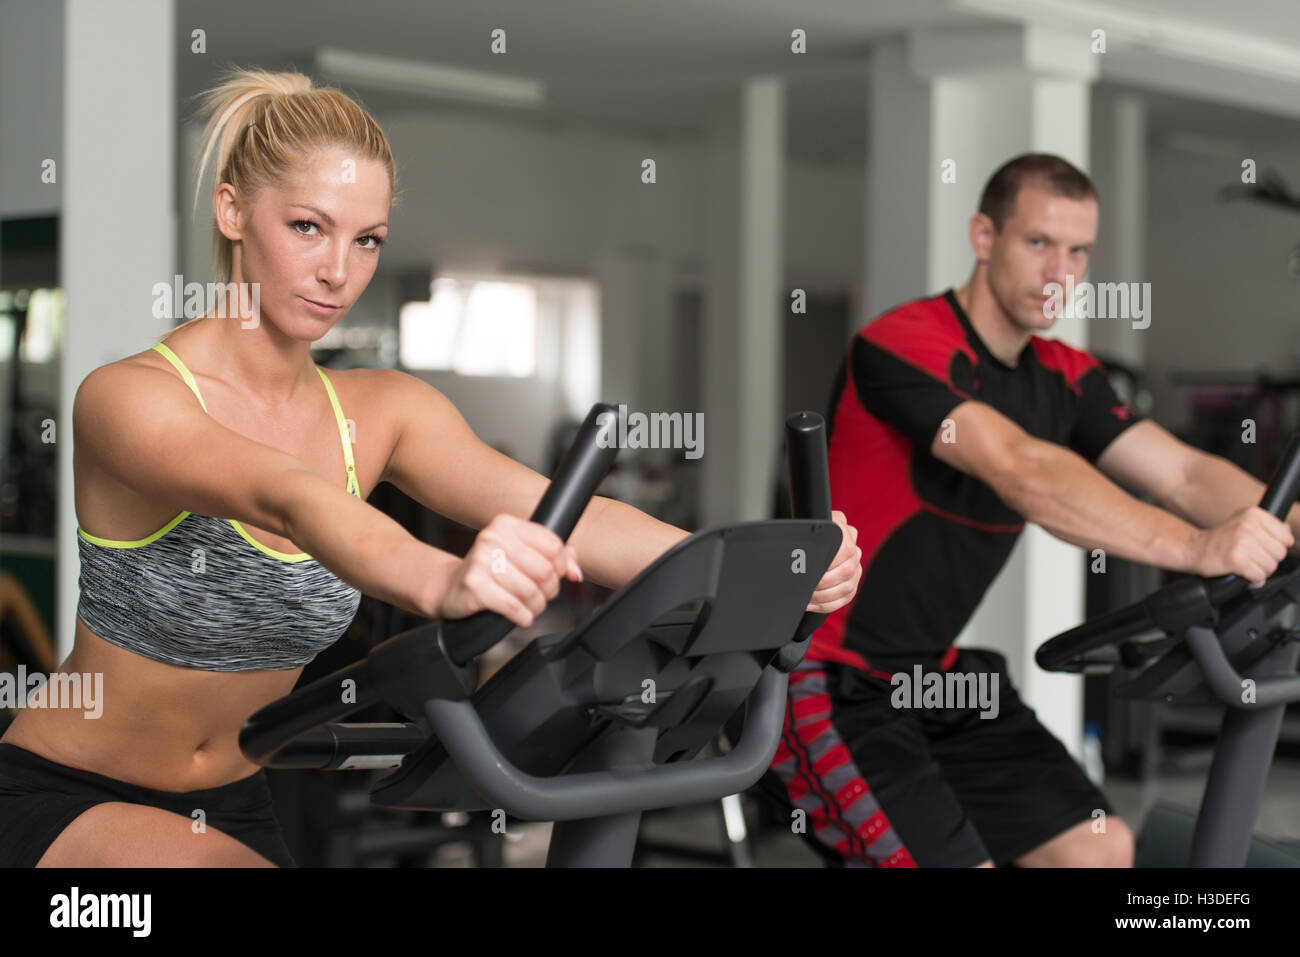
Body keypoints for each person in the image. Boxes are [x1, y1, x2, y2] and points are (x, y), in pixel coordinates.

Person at [0, 68, 863, 868]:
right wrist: (444, 580)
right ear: (232, 212)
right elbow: (290, 498)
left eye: (367, 239)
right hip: (63, 799)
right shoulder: (129, 399)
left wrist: (766, 566)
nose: (339, 270)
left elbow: (557, 512)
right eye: (307, 226)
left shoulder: (382, 410)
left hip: (232, 800)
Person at [764, 153, 1297, 868]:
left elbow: (1185, 471)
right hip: (829, 682)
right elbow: (1021, 467)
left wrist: (1289, 524)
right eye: (1038, 242)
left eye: (1078, 251)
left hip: (941, 678)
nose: (1060, 272)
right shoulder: (903, 343)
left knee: (1101, 846)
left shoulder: (1066, 376)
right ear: (984, 236)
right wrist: (1200, 549)